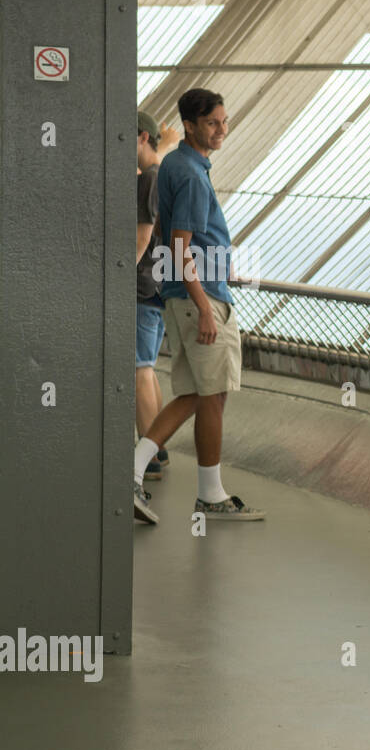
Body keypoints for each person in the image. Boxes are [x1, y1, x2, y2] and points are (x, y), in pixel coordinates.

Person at [131, 88, 264, 523]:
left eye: (224, 120)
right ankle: (208, 495)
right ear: (189, 126)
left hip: (183, 294)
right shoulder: (189, 173)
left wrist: (218, 265)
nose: (222, 129)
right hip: (198, 298)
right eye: (212, 123)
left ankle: (135, 472)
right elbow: (180, 245)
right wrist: (206, 306)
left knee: (193, 394)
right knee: (213, 394)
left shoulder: (176, 165)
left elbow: (182, 241)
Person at [134, 110, 170, 481]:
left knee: (138, 370)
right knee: (148, 367)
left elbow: (142, 236)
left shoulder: (149, 179)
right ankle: (159, 446)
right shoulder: (164, 174)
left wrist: (117, 276)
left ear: (143, 137)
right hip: (158, 288)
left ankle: (149, 457)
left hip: (140, 288)